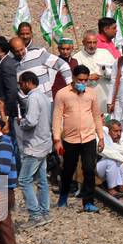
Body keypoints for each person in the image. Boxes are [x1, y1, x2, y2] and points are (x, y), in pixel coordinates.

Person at [53, 64, 105, 212]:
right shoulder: (62, 94)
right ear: (74, 78)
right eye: (80, 80)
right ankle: (63, 196)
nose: (82, 83)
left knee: (89, 169)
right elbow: (57, 117)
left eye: (85, 80)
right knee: (68, 170)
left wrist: (100, 136)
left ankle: (88, 201)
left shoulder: (91, 93)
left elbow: (96, 115)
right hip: (70, 139)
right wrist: (57, 139)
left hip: (89, 137)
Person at [13, 71, 53, 224]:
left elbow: (31, 121)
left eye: (21, 84)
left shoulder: (33, 98)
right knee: (42, 180)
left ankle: (35, 215)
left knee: (24, 180)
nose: (20, 87)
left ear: (29, 82)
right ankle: (44, 211)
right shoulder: (43, 96)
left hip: (34, 146)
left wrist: (21, 121)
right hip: (44, 142)